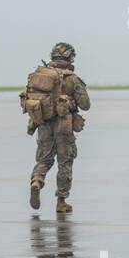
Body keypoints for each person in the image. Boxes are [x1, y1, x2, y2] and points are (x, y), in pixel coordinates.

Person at [24, 42, 90, 214]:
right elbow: (86, 105)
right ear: (69, 57)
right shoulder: (72, 78)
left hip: (43, 123)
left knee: (44, 160)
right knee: (65, 162)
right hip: (64, 125)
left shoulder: (40, 75)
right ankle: (61, 202)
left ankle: (36, 182)